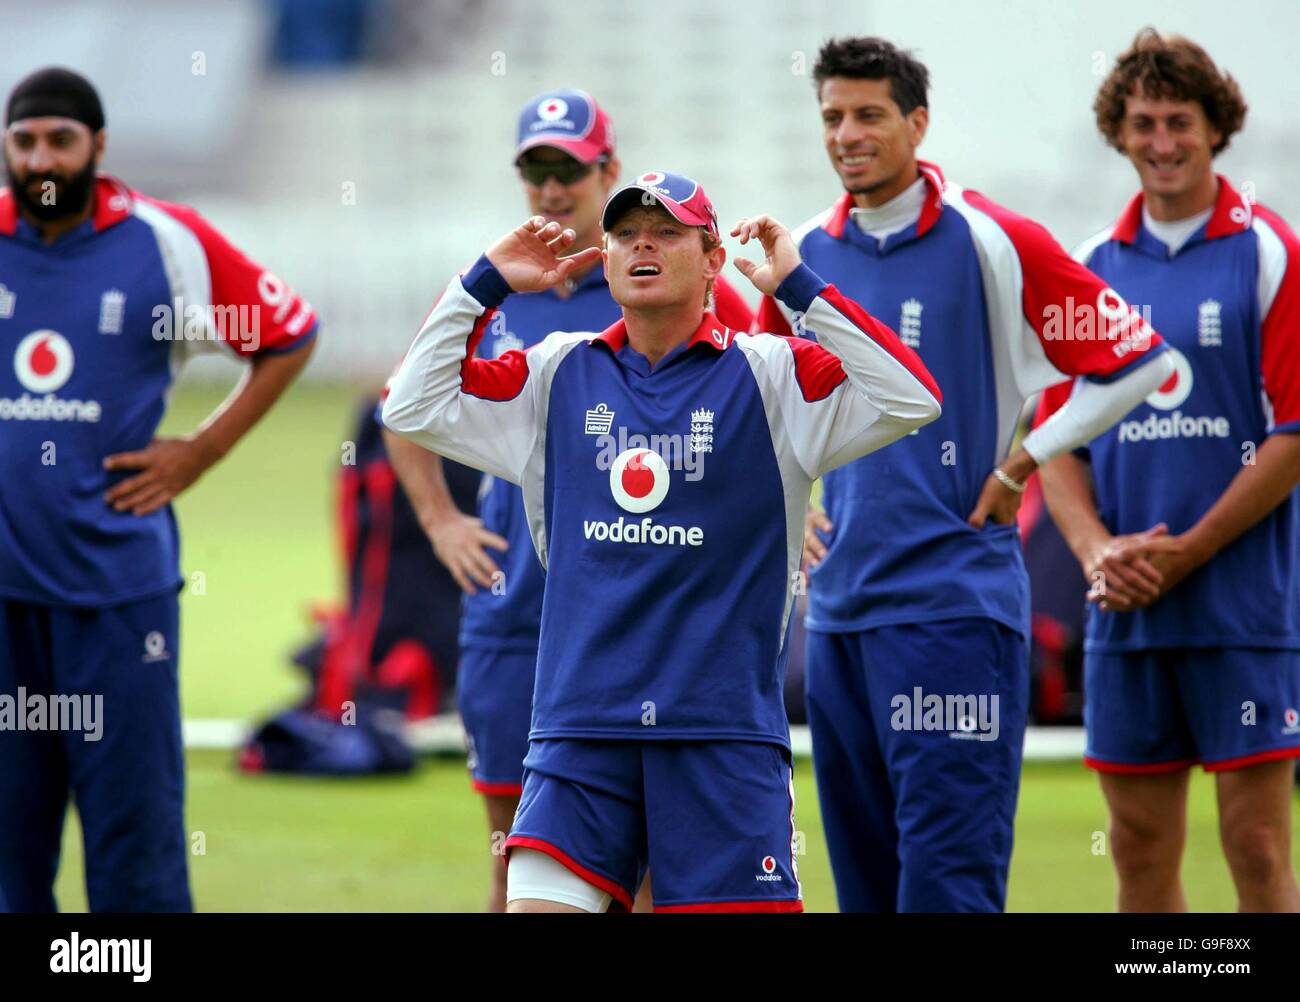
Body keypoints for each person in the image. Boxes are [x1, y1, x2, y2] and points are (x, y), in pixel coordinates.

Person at [383, 170, 942, 912]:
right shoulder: (557, 371)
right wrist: (484, 284)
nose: (642, 243)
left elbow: (912, 396)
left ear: (713, 259)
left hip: (722, 739)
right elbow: (414, 405)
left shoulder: (773, 377)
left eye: (668, 231)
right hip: (579, 732)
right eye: (625, 233)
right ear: (607, 256)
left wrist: (801, 289)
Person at [756, 36, 1172, 912]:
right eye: (832, 115)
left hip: (952, 608)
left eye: (869, 115)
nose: (847, 134)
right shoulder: (798, 256)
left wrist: (1026, 459)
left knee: (947, 886)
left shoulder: (993, 239)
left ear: (917, 122)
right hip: (838, 619)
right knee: (864, 888)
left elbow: (1139, 362)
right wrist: (787, 508)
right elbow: (765, 407)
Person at [382, 90, 752, 911]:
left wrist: (787, 516)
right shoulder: (505, 290)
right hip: (515, 611)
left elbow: (769, 409)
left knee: (656, 863)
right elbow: (405, 401)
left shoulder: (681, 291)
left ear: (607, 170)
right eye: (535, 171)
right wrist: (442, 519)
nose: (552, 189)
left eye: (569, 170)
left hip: (647, 623)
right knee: (516, 851)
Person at [0, 67, 317, 911]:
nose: (40, 158)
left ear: (97, 148)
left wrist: (201, 450)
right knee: (7, 845)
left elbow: (289, 335)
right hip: (3, 601)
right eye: (23, 140)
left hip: (117, 602)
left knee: (132, 842)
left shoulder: (164, 242)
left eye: (59, 140)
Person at [1035, 29, 1300, 912]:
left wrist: (1186, 552)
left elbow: (1293, 437)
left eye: (1179, 121)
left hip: (1243, 610)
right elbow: (1056, 444)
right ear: (1119, 131)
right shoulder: (1089, 270)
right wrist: (1098, 554)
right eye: (1142, 122)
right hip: (1127, 610)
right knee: (1141, 852)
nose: (1161, 142)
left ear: (1215, 127)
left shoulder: (1269, 252)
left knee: (1257, 847)